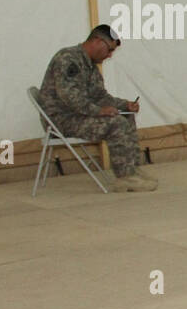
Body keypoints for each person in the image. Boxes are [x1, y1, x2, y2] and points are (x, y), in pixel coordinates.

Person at [38, 24, 155, 192]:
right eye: (109, 50)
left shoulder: (90, 65)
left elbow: (100, 96)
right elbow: (70, 97)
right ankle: (124, 178)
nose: (109, 55)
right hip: (62, 120)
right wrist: (99, 111)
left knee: (126, 115)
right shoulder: (68, 59)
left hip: (77, 115)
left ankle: (131, 168)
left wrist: (124, 105)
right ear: (97, 41)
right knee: (116, 123)